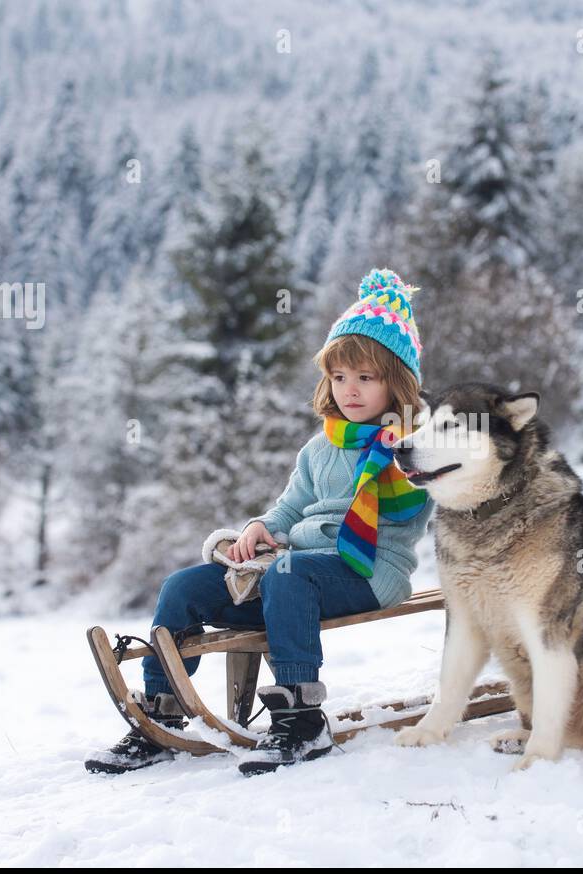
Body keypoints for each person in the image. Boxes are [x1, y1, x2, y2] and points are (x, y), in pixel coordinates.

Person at [85, 268, 434, 776]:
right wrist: (259, 528)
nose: (349, 390)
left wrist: (398, 453)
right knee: (183, 587)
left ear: (397, 382)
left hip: (369, 570)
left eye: (366, 377)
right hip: (294, 576)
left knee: (289, 574)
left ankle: (300, 718)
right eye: (339, 377)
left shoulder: (411, 447)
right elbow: (289, 509)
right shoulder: (321, 448)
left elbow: (413, 505)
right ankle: (162, 713)